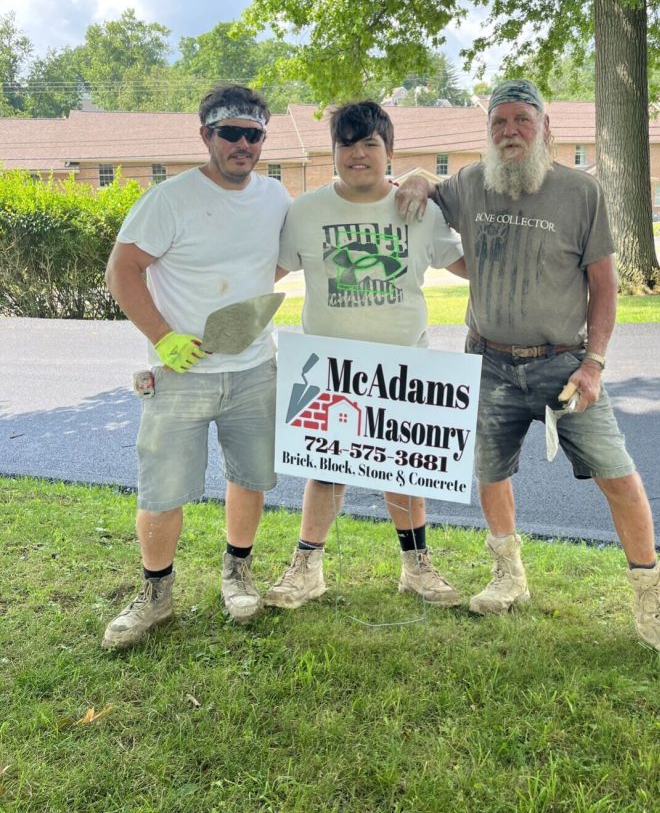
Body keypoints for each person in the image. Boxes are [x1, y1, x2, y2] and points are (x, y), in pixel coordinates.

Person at [395, 79, 660, 671]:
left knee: (618, 475)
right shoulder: (469, 183)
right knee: (490, 471)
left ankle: (653, 609)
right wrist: (416, 175)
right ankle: (508, 575)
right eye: (498, 123)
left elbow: (604, 285)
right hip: (485, 360)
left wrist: (595, 363)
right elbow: (428, 193)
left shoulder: (580, 192)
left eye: (521, 120)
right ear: (487, 133)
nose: (509, 131)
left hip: (564, 365)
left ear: (546, 128)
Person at [101, 83, 290, 649]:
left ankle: (237, 573)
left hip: (256, 369)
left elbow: (275, 265)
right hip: (180, 374)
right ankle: (156, 595)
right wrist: (163, 338)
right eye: (230, 132)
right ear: (206, 134)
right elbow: (122, 270)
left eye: (253, 134)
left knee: (249, 476)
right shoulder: (170, 199)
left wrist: (244, 307)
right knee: (163, 490)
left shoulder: (277, 198)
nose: (242, 144)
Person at [265, 100, 467, 610]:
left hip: (404, 369)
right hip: (330, 367)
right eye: (347, 144)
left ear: (390, 151)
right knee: (327, 470)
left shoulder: (419, 210)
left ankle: (416, 568)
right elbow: (267, 273)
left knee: (406, 469)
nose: (358, 154)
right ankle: (306, 568)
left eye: (370, 144)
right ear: (332, 152)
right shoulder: (306, 211)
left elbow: (470, 263)